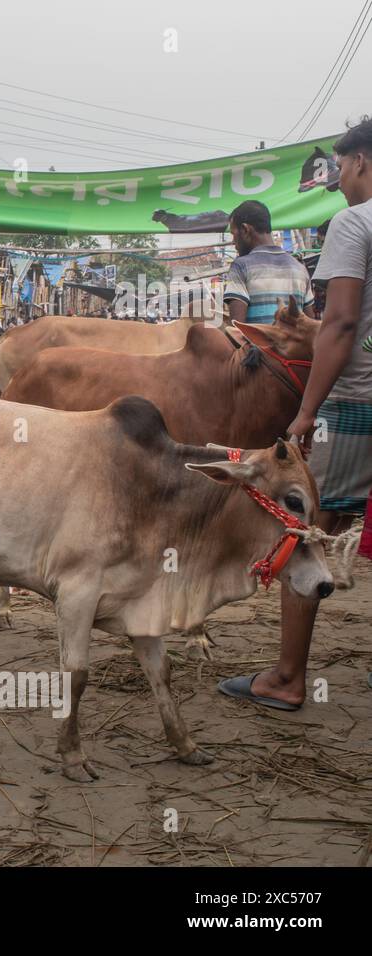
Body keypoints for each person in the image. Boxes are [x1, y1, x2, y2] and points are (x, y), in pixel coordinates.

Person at [220, 117, 372, 710]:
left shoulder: (353, 223)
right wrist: (307, 333)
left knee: (309, 530)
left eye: (339, 167)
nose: (336, 180)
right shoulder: (298, 255)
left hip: (355, 404)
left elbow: (342, 324)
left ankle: (286, 678)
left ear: (360, 161)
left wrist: (306, 412)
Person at [224, 200, 316, 325]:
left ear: (245, 230)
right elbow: (309, 324)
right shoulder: (300, 268)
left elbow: (236, 328)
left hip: (257, 345)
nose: (233, 241)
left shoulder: (240, 266)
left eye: (234, 234)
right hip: (292, 345)